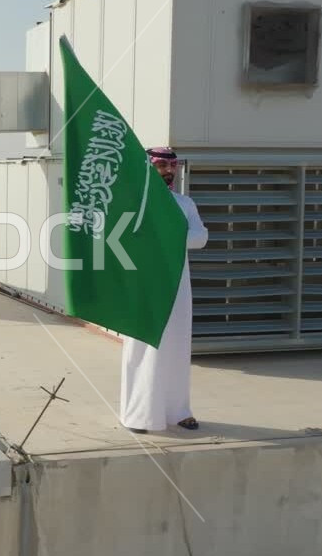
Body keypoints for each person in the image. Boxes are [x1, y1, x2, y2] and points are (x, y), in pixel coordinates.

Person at [119, 147, 208, 434]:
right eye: (161, 166)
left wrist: (165, 236)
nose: (169, 171)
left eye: (172, 166)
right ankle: (139, 414)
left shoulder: (185, 203)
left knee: (178, 346)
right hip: (145, 284)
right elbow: (125, 238)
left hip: (178, 286)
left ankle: (178, 410)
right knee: (143, 347)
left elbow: (200, 237)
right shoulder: (134, 203)